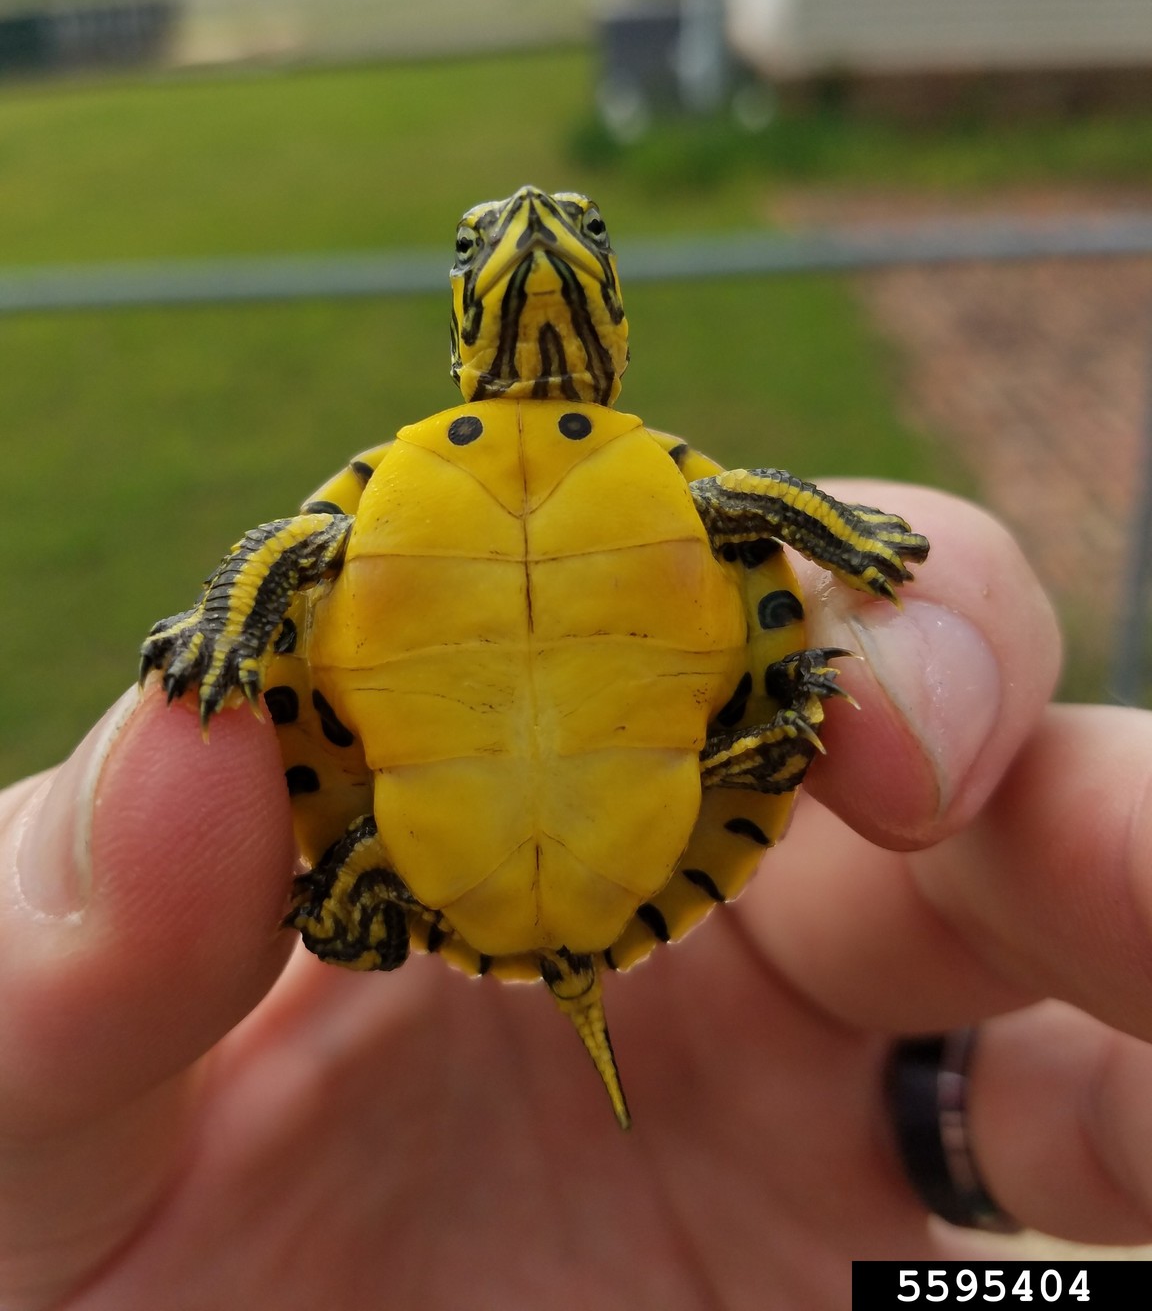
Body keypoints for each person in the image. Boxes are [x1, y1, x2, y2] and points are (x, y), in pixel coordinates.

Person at [2, 482, 1149, 1311]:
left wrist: (847, 542)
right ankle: (728, 760)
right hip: (585, 824)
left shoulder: (655, 497)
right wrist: (227, 625)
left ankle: (379, 892)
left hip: (436, 854)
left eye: (582, 230)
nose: (533, 237)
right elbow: (296, 548)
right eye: (480, 244)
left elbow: (298, 551)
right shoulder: (654, 501)